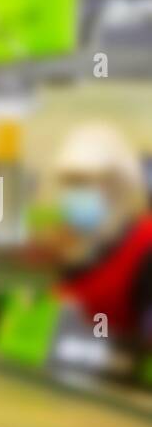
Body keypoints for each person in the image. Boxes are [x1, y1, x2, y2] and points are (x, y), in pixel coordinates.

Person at [50, 122, 152, 345]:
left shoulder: (146, 245)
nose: (72, 195)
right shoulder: (81, 244)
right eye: (69, 184)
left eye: (83, 183)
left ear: (117, 187)